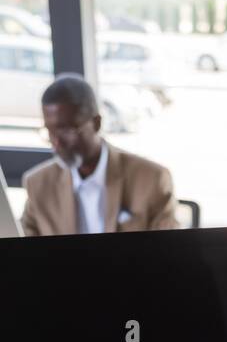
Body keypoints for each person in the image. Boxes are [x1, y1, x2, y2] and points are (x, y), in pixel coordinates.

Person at [21, 74, 178, 236]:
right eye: (49, 131)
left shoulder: (151, 179)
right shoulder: (38, 184)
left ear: (96, 123)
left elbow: (167, 254)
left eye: (66, 130)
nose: (56, 143)